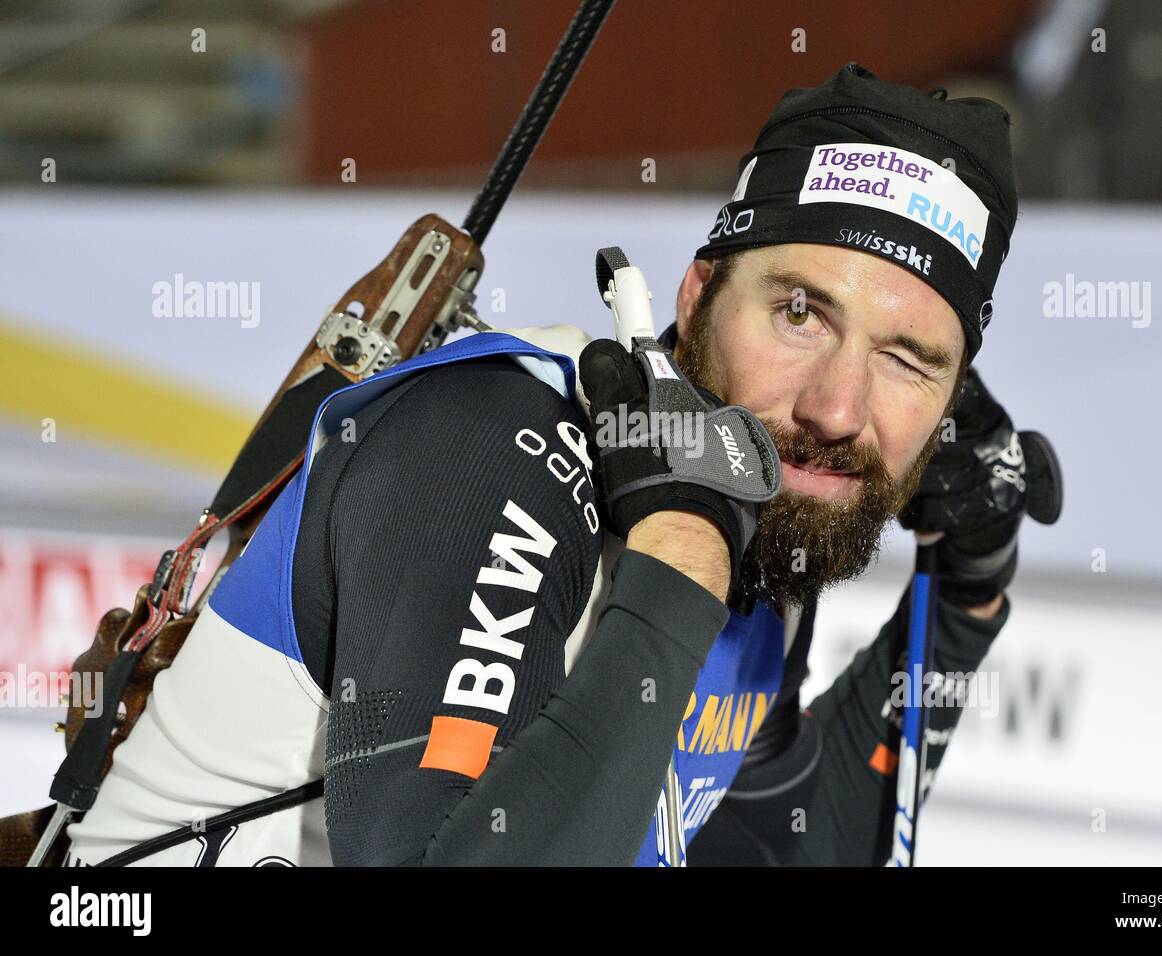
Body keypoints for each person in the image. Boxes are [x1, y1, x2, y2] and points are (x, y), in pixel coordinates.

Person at [64, 63, 1033, 867]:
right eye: (798, 312)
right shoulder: (497, 437)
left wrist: (963, 602)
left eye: (909, 360)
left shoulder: (763, 506)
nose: (835, 406)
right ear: (695, 299)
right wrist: (682, 562)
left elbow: (772, 843)